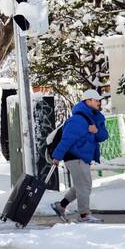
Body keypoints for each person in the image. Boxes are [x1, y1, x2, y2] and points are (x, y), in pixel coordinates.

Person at [49, 89, 110, 223]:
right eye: (96, 100)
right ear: (88, 101)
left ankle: (61, 206)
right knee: (85, 186)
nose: (99, 102)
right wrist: (57, 156)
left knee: (80, 185)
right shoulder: (77, 120)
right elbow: (67, 140)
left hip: (83, 157)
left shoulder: (94, 118)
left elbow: (103, 136)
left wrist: (95, 130)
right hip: (74, 157)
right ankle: (84, 215)